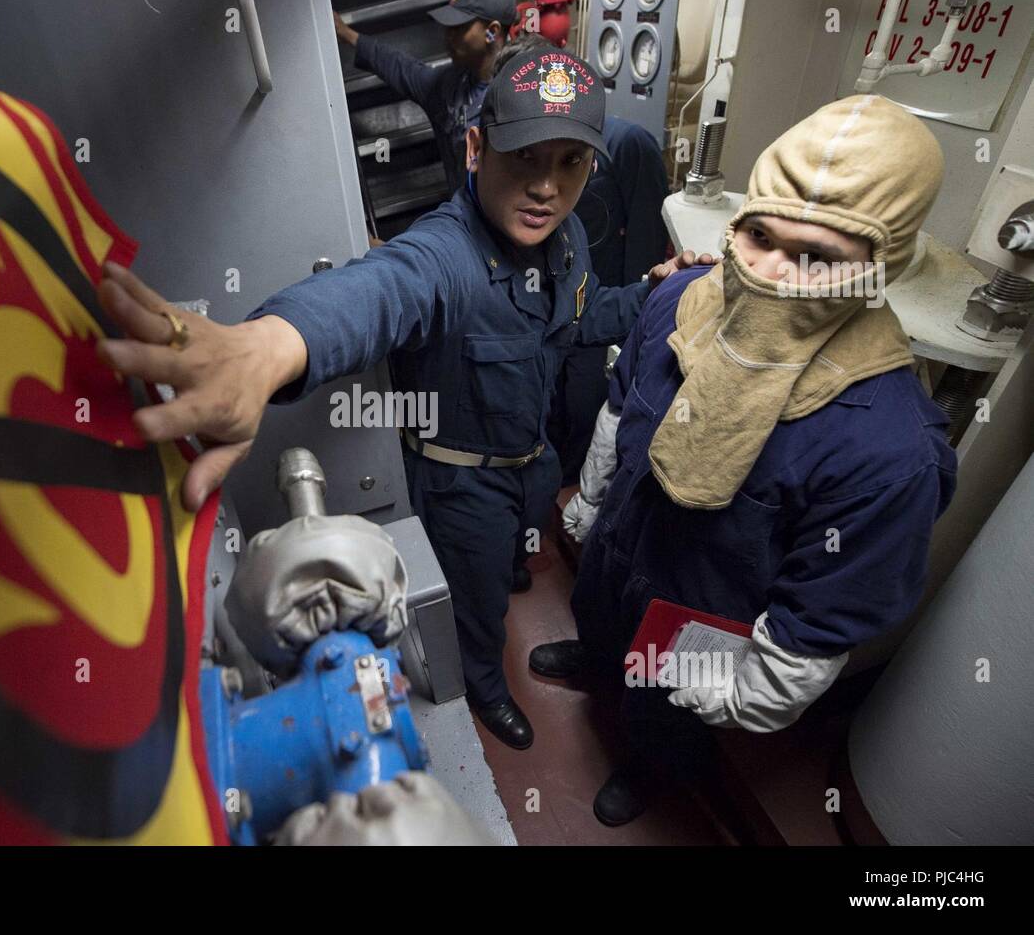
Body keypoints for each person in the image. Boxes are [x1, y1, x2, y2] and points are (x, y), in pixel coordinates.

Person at [94, 44, 711, 750]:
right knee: (478, 611)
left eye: (569, 162)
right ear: (477, 148)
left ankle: (508, 566)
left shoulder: (565, 238)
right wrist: (267, 346)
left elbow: (585, 312)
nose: (546, 186)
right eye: (525, 158)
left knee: (513, 563)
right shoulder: (445, 253)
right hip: (464, 486)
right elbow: (378, 291)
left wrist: (655, 288)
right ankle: (485, 688)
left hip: (531, 465)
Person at [531, 95, 957, 825]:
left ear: (878, 268)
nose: (772, 273)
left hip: (699, 620)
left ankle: (648, 765)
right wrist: (592, 503)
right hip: (620, 554)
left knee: (661, 715)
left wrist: (729, 692)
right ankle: (599, 659)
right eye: (759, 235)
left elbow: (816, 622)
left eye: (818, 257)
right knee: (599, 622)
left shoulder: (889, 452)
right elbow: (621, 403)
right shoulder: (683, 301)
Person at [547, 114, 669, 493]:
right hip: (552, 301)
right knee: (554, 402)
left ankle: (576, 490)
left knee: (587, 402)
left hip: (604, 304)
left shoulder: (630, 142)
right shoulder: (541, 150)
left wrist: (639, 313)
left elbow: (647, 232)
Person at [334, 0, 521, 194]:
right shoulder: (448, 88)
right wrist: (347, 34)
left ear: (492, 31)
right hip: (463, 220)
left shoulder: (522, 93)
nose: (448, 37)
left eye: (459, 28)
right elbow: (400, 67)